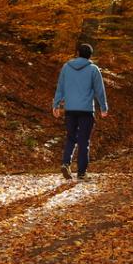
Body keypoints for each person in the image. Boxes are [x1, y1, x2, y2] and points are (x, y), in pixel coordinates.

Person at [52, 42, 108, 181]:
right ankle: (81, 173)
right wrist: (103, 108)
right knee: (83, 141)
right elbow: (99, 90)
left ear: (78, 53)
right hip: (86, 110)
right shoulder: (93, 69)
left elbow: (60, 87)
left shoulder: (66, 67)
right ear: (90, 55)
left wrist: (56, 105)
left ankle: (66, 163)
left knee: (71, 138)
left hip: (70, 109)